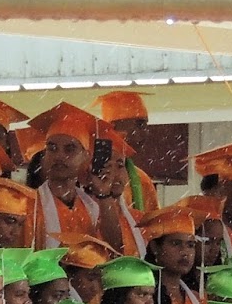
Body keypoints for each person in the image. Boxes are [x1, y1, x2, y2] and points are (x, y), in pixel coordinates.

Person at [30, 104, 100, 247]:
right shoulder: (30, 204)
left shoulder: (92, 207)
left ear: (86, 156)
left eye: (70, 149)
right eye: (52, 148)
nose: (59, 156)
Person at [96, 89, 160, 212]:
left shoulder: (142, 180)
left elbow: (152, 225)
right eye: (140, 124)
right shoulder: (90, 174)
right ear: (113, 126)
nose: (146, 132)